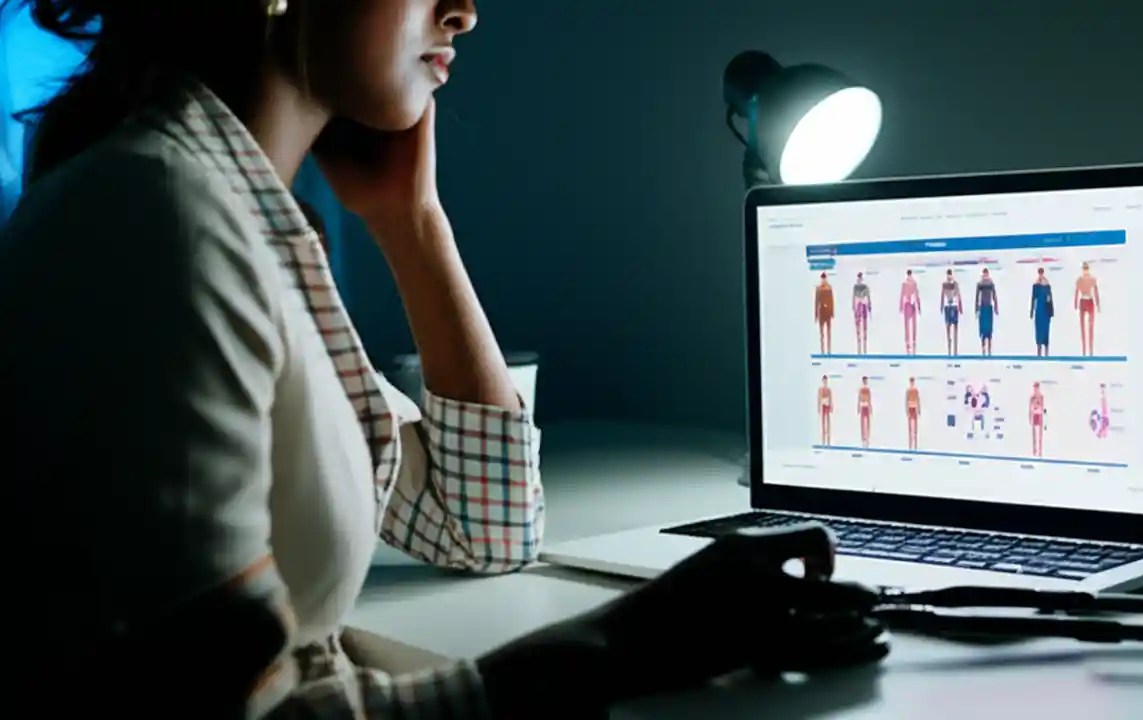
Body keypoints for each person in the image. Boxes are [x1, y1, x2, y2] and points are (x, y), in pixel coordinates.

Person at [0, 1, 879, 715]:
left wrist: (412, 225)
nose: (464, 11)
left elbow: (484, 525)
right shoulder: (165, 225)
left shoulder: (252, 225)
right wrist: (626, 641)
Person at [1075, 262, 1102, 356]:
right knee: (1083, 327)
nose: (1085, 270)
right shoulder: (1079, 280)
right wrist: (1075, 304)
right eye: (1084, 268)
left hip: (1089, 301)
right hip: (1083, 301)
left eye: (1086, 268)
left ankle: (1090, 351)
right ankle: (1084, 351)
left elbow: (1096, 292)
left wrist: (1098, 304)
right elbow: (1076, 292)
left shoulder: (1092, 279)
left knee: (1090, 327)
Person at [1029, 267, 1054, 356]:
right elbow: (1033, 298)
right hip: (1039, 310)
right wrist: (1031, 311)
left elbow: (1050, 298)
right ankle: (1039, 350)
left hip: (1045, 310)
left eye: (1041, 273)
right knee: (1038, 329)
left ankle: (1046, 350)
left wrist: (1051, 311)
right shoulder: (1035, 285)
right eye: (1039, 272)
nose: (1040, 274)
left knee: (1046, 329)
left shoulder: (1047, 285)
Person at [975, 267, 999, 355]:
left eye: (986, 274)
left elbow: (994, 296)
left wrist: (996, 307)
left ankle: (989, 347)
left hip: (989, 307)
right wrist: (976, 309)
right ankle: (983, 347)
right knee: (983, 329)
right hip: (982, 307)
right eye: (984, 274)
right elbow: (977, 297)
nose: (985, 275)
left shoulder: (991, 283)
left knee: (989, 328)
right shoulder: (980, 284)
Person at [940, 268, 962, 356]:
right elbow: (942, 295)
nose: (949, 276)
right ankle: (949, 348)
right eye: (948, 275)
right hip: (947, 307)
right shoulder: (944, 284)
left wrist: (960, 307)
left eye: (950, 274)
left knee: (955, 327)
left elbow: (958, 295)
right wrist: (941, 306)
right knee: (948, 327)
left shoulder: (955, 284)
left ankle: (955, 349)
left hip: (954, 306)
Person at [899, 269, 920, 354]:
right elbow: (916, 295)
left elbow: (902, 295)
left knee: (907, 325)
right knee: (913, 325)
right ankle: (913, 341)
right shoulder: (913, 283)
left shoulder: (905, 284)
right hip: (912, 304)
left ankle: (908, 342)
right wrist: (919, 307)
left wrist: (900, 306)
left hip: (907, 304)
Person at [814, 271, 835, 354]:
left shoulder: (829, 288)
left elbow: (831, 300)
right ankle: (822, 350)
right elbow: (816, 302)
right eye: (822, 278)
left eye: (824, 278)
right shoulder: (818, 289)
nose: (823, 280)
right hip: (821, 311)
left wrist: (832, 312)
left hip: (828, 312)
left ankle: (829, 350)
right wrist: (816, 314)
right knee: (821, 333)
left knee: (828, 332)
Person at [852, 271, 872, 354]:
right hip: (860, 306)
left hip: (861, 306)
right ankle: (860, 340)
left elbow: (868, 297)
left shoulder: (862, 287)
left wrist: (869, 305)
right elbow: (854, 298)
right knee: (860, 323)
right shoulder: (858, 287)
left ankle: (862, 340)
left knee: (862, 324)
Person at [1029, 382, 1046, 457]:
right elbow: (1030, 408)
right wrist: (1030, 416)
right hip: (1034, 415)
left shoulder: (1041, 397)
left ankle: (1040, 451)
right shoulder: (1032, 397)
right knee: (1034, 434)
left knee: (1039, 433)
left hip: (1039, 415)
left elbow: (1042, 406)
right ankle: (1034, 450)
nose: (1035, 389)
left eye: (1037, 388)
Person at [818, 375, 834, 446]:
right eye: (824, 380)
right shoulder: (820, 389)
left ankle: (828, 437)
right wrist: (818, 407)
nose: (825, 382)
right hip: (823, 406)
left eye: (826, 380)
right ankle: (823, 438)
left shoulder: (829, 390)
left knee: (827, 421)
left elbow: (830, 398)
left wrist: (831, 406)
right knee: (823, 422)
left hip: (827, 406)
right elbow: (819, 399)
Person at [905, 377, 921, 450]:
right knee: (911, 427)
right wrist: (907, 410)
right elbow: (907, 400)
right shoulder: (909, 390)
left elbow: (918, 399)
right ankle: (911, 444)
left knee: (914, 427)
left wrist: (918, 409)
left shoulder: (915, 390)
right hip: (911, 408)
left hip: (913, 408)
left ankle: (915, 444)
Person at [858, 376, 873, 447]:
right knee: (862, 422)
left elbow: (869, 399)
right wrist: (858, 407)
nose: (865, 382)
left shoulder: (868, 390)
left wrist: (870, 407)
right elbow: (859, 398)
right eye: (865, 381)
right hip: (862, 406)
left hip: (866, 406)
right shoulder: (861, 389)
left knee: (867, 422)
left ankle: (867, 437)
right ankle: (863, 437)